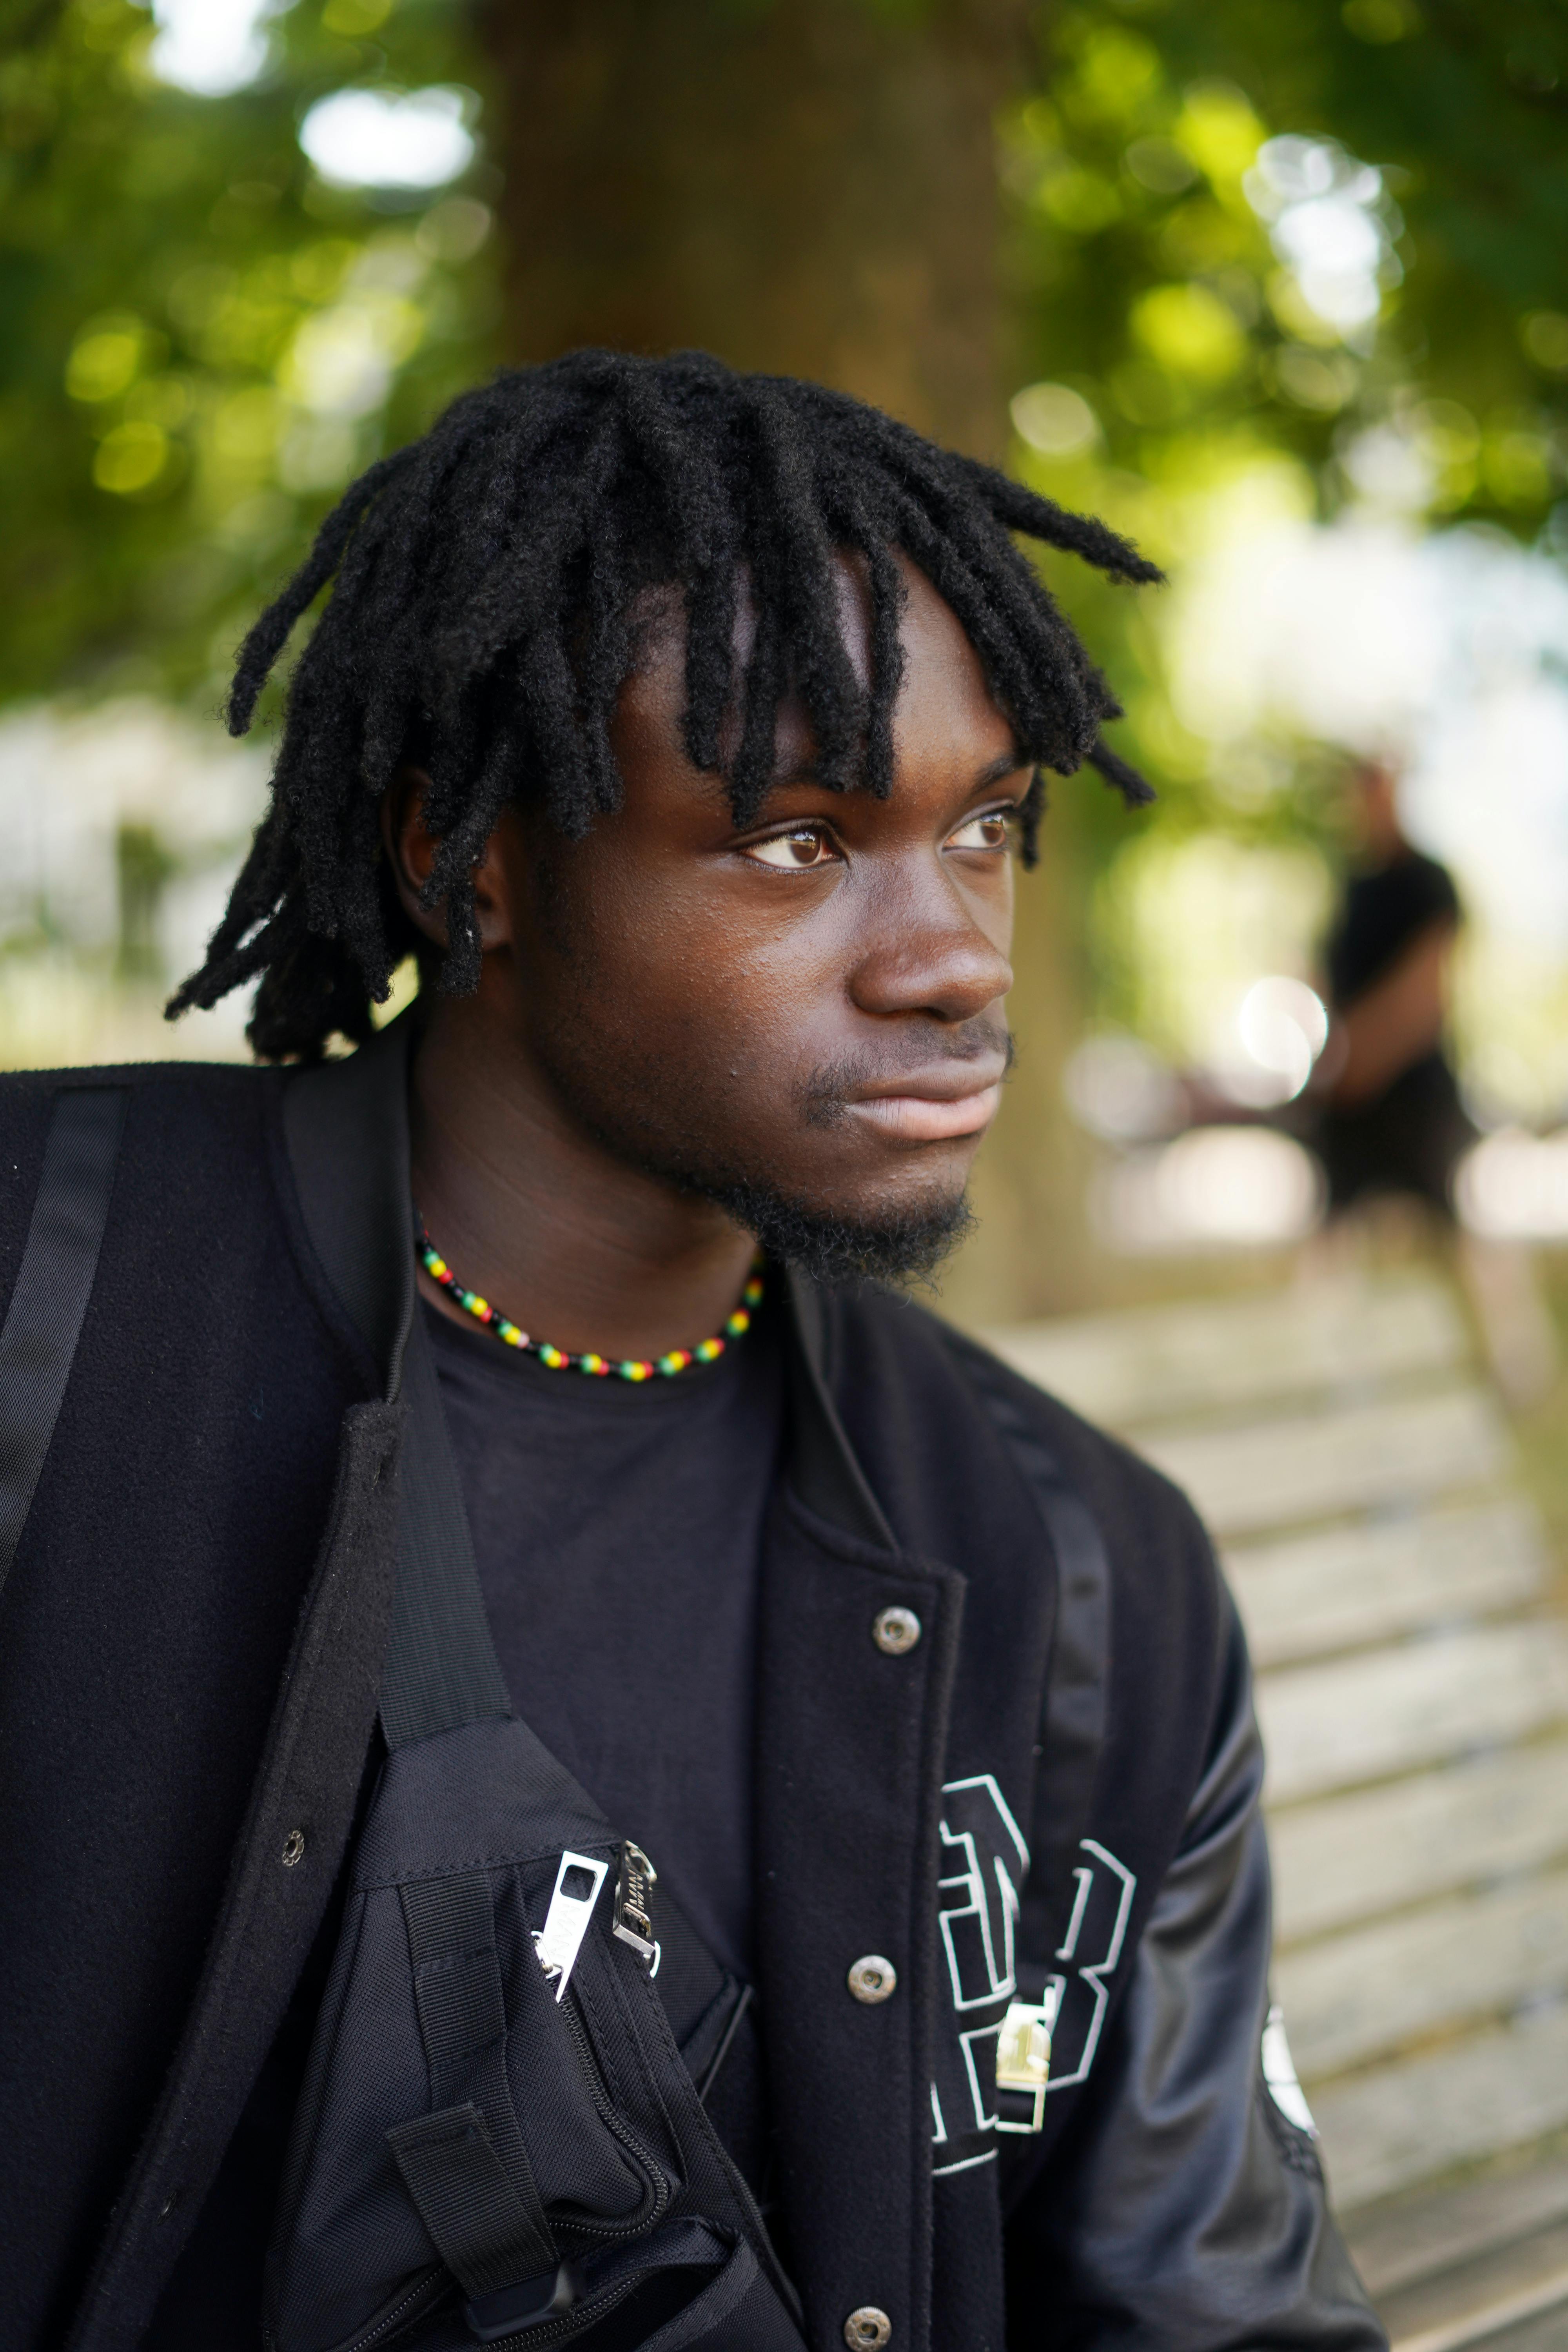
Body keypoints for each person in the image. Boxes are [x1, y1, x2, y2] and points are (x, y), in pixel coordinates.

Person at [0, 351, 1383, 2352]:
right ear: (460, 855)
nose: (955, 959)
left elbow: (1213, 2304)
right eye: (798, 840)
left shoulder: (1083, 1576)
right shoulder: (49, 1311)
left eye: (987, 826)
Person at [1316, 755, 1474, 1216]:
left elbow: (1427, 992)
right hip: (1350, 1096)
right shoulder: (1351, 889)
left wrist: (1362, 1056)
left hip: (1417, 1091)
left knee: (1452, 1228)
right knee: (1334, 1228)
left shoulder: (1429, 882)